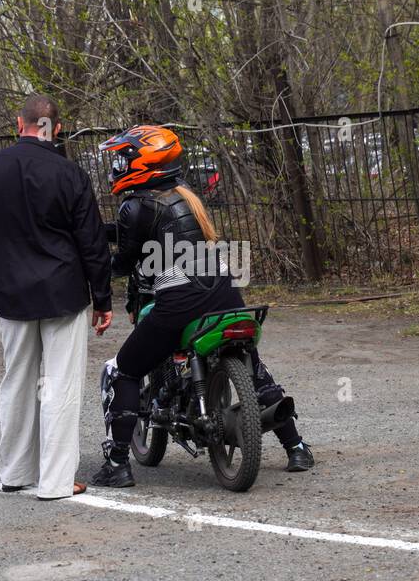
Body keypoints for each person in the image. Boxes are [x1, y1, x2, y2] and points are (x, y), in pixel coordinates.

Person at [94, 124, 314, 488]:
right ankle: (297, 446)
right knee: (254, 369)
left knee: (124, 371)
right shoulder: (184, 196)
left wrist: (87, 263)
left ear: (142, 162)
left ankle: (117, 463)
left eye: (122, 158)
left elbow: (124, 261)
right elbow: (140, 231)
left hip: (180, 303)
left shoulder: (135, 205)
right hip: (226, 294)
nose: (117, 166)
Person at [0, 94, 113, 500]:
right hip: (64, 292)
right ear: (56, 129)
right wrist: (103, 298)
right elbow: (92, 242)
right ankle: (57, 482)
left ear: (18, 122)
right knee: (60, 385)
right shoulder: (70, 174)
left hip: (9, 294)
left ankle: (14, 472)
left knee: (17, 383)